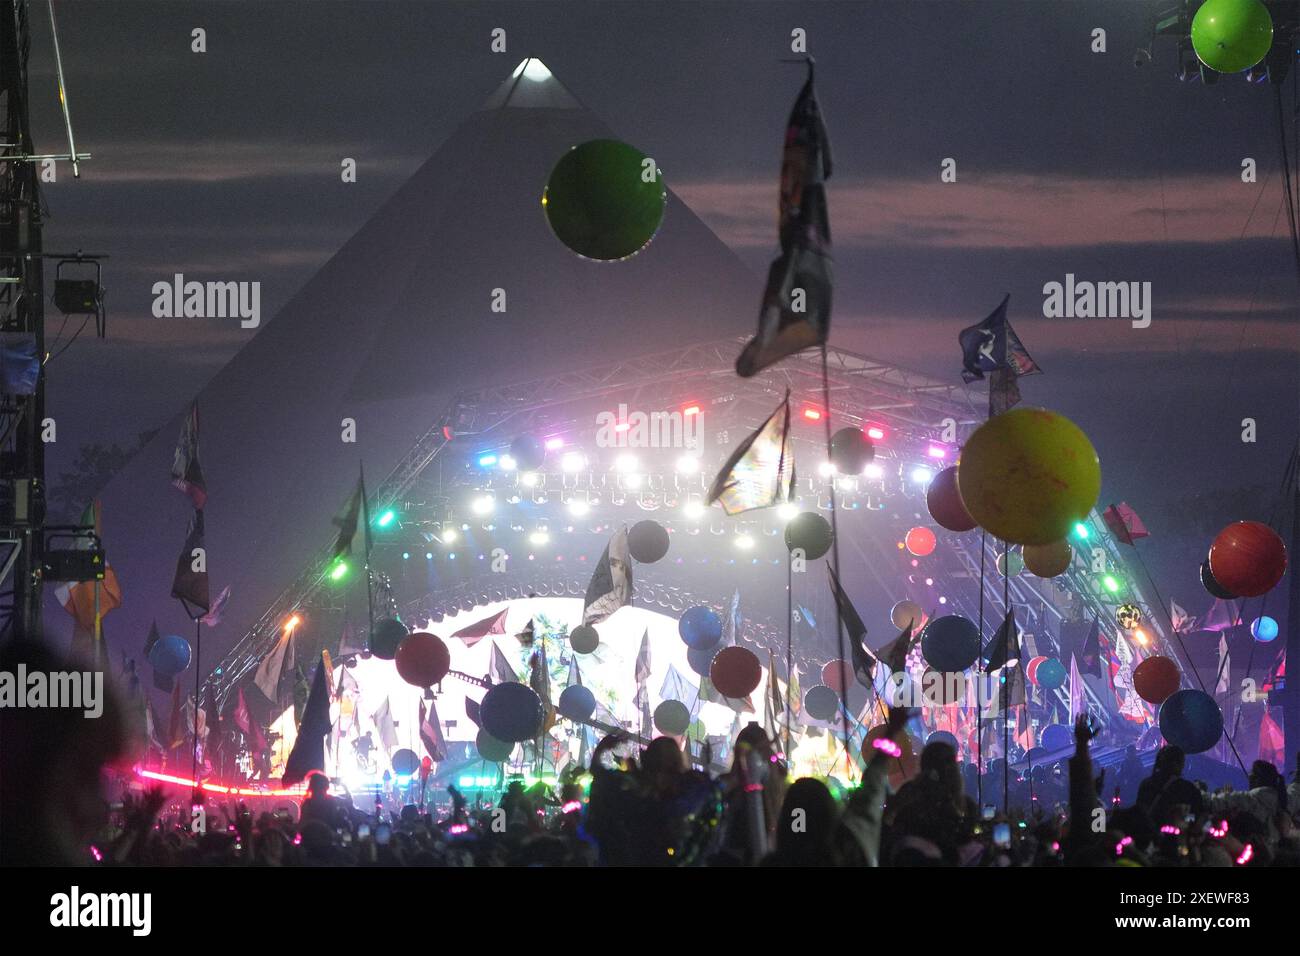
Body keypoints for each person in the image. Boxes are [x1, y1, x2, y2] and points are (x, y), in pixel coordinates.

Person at [1135, 745, 1203, 826]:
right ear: (1180, 764)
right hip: (1174, 836)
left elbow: (1139, 812)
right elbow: (1195, 816)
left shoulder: (1146, 785)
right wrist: (1183, 821)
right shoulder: (1187, 788)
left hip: (1149, 835)